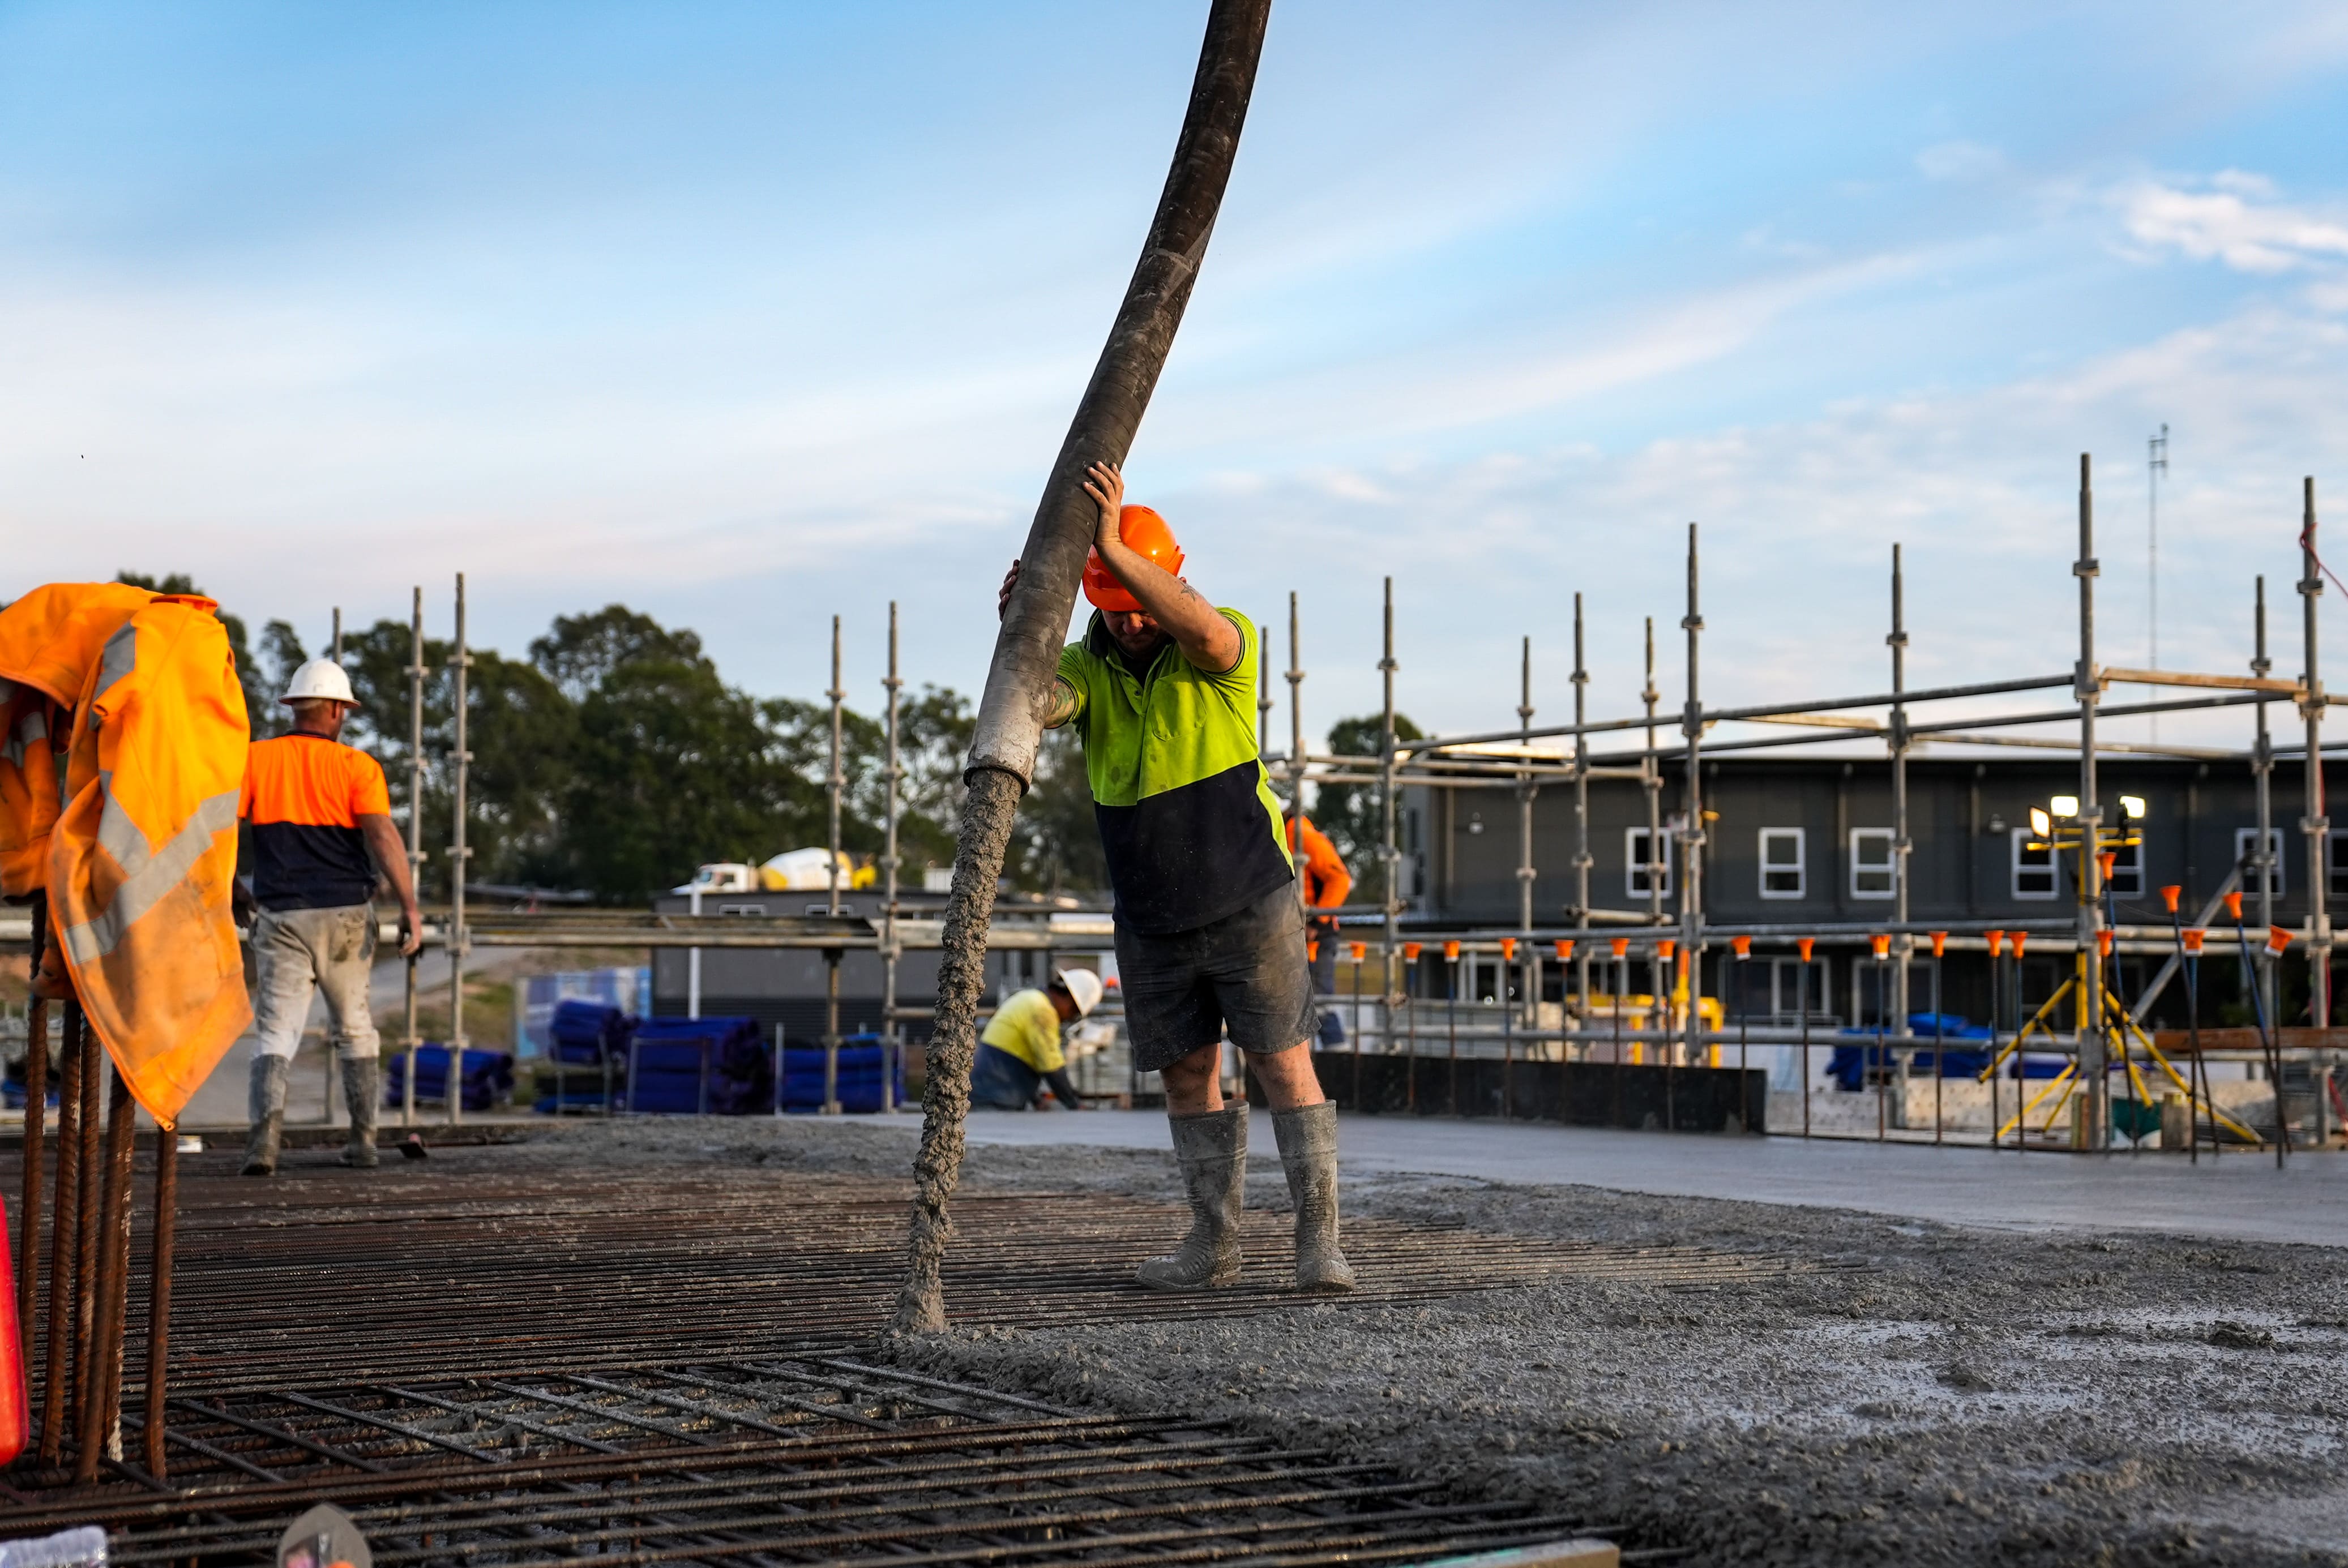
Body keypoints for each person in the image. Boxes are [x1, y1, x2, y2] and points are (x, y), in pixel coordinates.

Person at [997, 461, 1353, 1292]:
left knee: (1281, 1060)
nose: (1125, 625)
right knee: (1189, 1074)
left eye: (1133, 605)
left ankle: (1318, 1244)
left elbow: (1206, 634)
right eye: (1108, 611)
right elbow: (1038, 701)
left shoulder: (1219, 643)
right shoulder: (1090, 668)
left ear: (1164, 576)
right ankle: (1213, 1242)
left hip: (1246, 898)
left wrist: (1114, 549)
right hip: (1151, 908)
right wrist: (1022, 623)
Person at [236, 658, 422, 1175]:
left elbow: (221, 827)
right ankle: (363, 1144)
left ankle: (263, 1148)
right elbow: (383, 837)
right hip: (345, 918)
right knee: (355, 1028)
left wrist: (230, 884)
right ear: (338, 710)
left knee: (276, 1033)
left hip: (281, 914)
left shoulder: (255, 759)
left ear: (295, 706)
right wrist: (410, 907)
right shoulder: (358, 768)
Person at [970, 966, 1105, 1111]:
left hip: (991, 1082)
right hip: (996, 1092)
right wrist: (1074, 1104)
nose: (1069, 1019)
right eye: (1074, 1013)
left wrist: (1036, 1099)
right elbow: (1051, 1065)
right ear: (1070, 1000)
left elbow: (1027, 1056)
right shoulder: (1043, 1011)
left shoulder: (1031, 998)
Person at [1281, 803, 1354, 1047]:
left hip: (1316, 935)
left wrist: (1316, 923)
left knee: (1320, 1001)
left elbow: (1340, 879)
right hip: (1294, 933)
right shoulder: (1284, 835)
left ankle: (1337, 1058)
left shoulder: (1302, 835)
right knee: (1290, 1007)